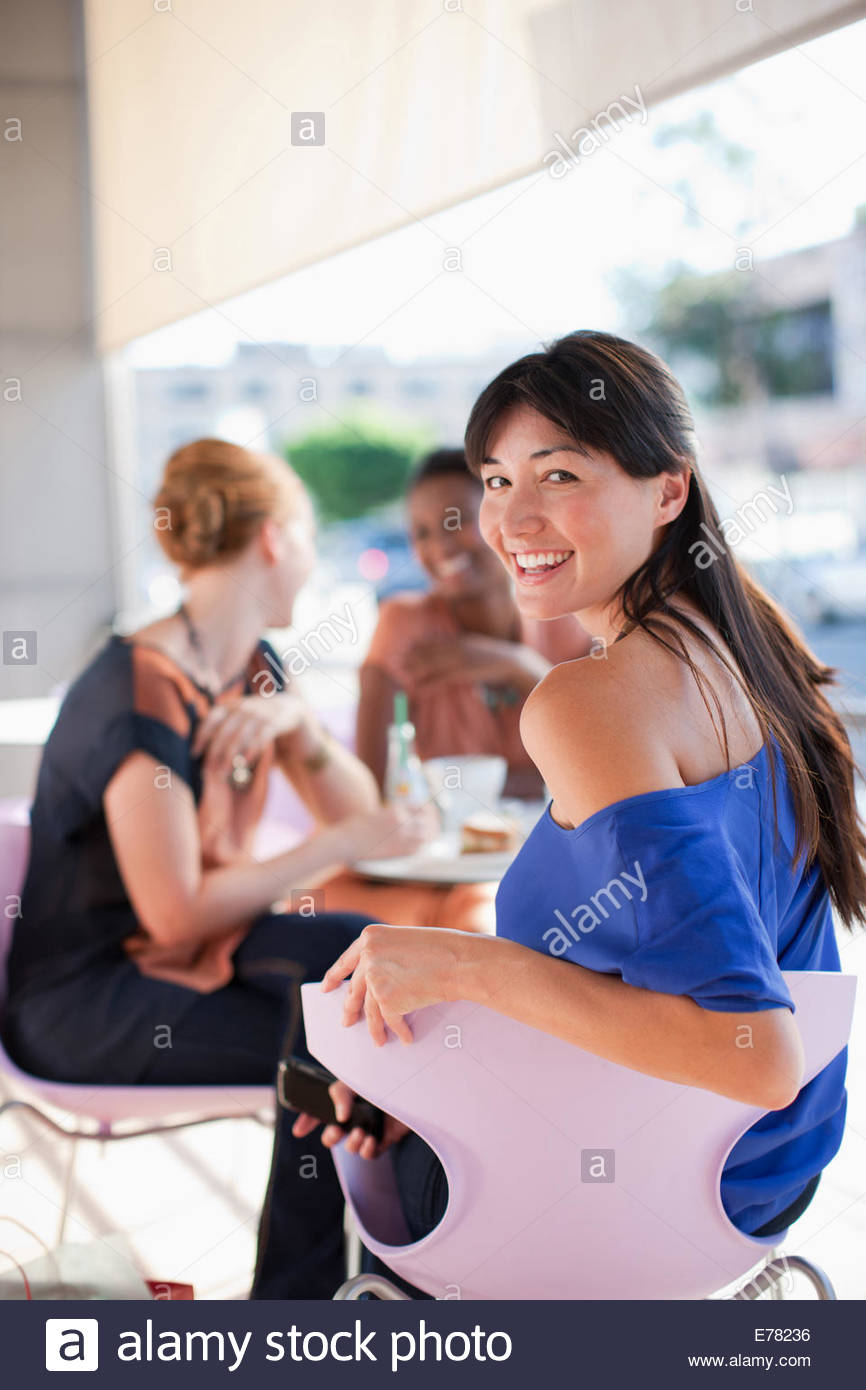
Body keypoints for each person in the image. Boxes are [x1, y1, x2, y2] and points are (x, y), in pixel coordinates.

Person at [298, 331, 865, 1292]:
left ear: (669, 490)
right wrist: (451, 1046)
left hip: (629, 1183)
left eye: (557, 474)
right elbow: (663, 966)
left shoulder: (588, 700)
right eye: (495, 479)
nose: (511, 517)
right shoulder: (747, 651)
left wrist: (466, 968)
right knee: (370, 1069)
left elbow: (754, 1050)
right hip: (754, 1174)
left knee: (331, 1088)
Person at [1, 437, 435, 1300]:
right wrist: (331, 851)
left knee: (361, 973)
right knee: (365, 1046)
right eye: (309, 539)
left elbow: (361, 816)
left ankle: (336, 1298)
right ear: (275, 540)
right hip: (92, 1002)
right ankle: (303, 1311)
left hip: (190, 968)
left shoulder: (250, 669)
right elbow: (175, 915)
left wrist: (298, 730)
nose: (311, 562)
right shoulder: (141, 686)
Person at [356, 448, 588, 800]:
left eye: (457, 520)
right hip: (447, 852)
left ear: (505, 516)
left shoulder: (570, 620)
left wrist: (520, 667)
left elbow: (597, 764)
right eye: (421, 533)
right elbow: (375, 789)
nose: (441, 547)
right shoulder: (404, 625)